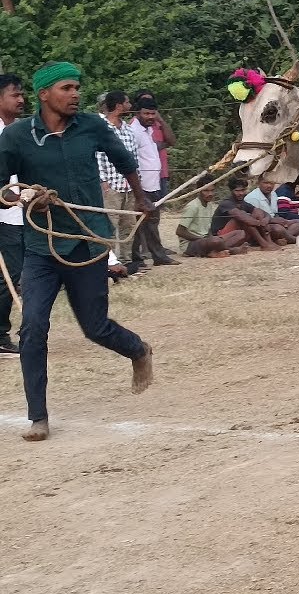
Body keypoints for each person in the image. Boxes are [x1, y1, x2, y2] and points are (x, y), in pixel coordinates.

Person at [0, 62, 156, 441]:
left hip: (89, 243)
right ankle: (38, 417)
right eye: (67, 88)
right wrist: (23, 197)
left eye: (77, 87)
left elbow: (125, 162)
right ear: (44, 94)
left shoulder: (91, 126)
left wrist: (141, 198)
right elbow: (2, 188)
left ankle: (138, 350)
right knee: (32, 328)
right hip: (42, 247)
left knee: (95, 328)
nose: (75, 94)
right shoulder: (18, 136)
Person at [126, 98, 177, 266]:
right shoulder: (133, 131)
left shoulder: (148, 130)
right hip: (141, 186)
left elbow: (170, 142)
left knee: (152, 222)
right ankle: (136, 259)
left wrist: (160, 120)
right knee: (137, 223)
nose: (150, 117)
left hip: (153, 183)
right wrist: (137, 187)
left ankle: (158, 257)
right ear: (137, 113)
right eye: (146, 113)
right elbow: (131, 159)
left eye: (153, 114)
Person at [96, 91, 140, 262]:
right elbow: (98, 157)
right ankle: (110, 262)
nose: (130, 106)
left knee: (128, 225)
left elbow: (133, 158)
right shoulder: (102, 128)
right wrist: (103, 181)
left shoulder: (128, 129)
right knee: (110, 225)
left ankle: (127, 261)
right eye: (127, 102)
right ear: (119, 106)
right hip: (111, 185)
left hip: (128, 186)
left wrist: (137, 183)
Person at [0, 74, 26, 355]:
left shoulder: (19, 131)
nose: (21, 99)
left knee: (18, 272)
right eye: (14, 94)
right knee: (9, 274)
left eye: (21, 94)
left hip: (20, 214)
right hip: (4, 216)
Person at [176, 180, 248, 257]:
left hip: (206, 240)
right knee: (215, 241)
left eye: (212, 190)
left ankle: (215, 251)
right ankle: (232, 250)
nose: (210, 194)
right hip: (190, 244)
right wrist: (202, 239)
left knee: (240, 233)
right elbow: (180, 231)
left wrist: (210, 238)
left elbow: (208, 229)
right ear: (198, 191)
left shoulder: (209, 205)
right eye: (206, 191)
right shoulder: (193, 206)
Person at [212, 178, 282, 250]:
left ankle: (269, 241)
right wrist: (259, 223)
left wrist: (265, 220)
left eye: (243, 190)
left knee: (258, 213)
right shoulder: (226, 203)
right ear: (231, 191)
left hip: (239, 232)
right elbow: (242, 217)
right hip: (221, 235)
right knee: (244, 218)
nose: (241, 193)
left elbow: (264, 213)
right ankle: (263, 244)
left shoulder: (243, 203)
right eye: (237, 191)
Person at [244, 176, 299, 242]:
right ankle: (293, 239)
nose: (269, 186)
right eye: (266, 183)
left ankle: (282, 238)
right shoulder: (252, 198)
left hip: (275, 223)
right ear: (259, 183)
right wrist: (273, 220)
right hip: (262, 227)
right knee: (278, 229)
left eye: (272, 183)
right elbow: (253, 221)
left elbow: (275, 213)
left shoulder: (273, 194)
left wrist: (281, 220)